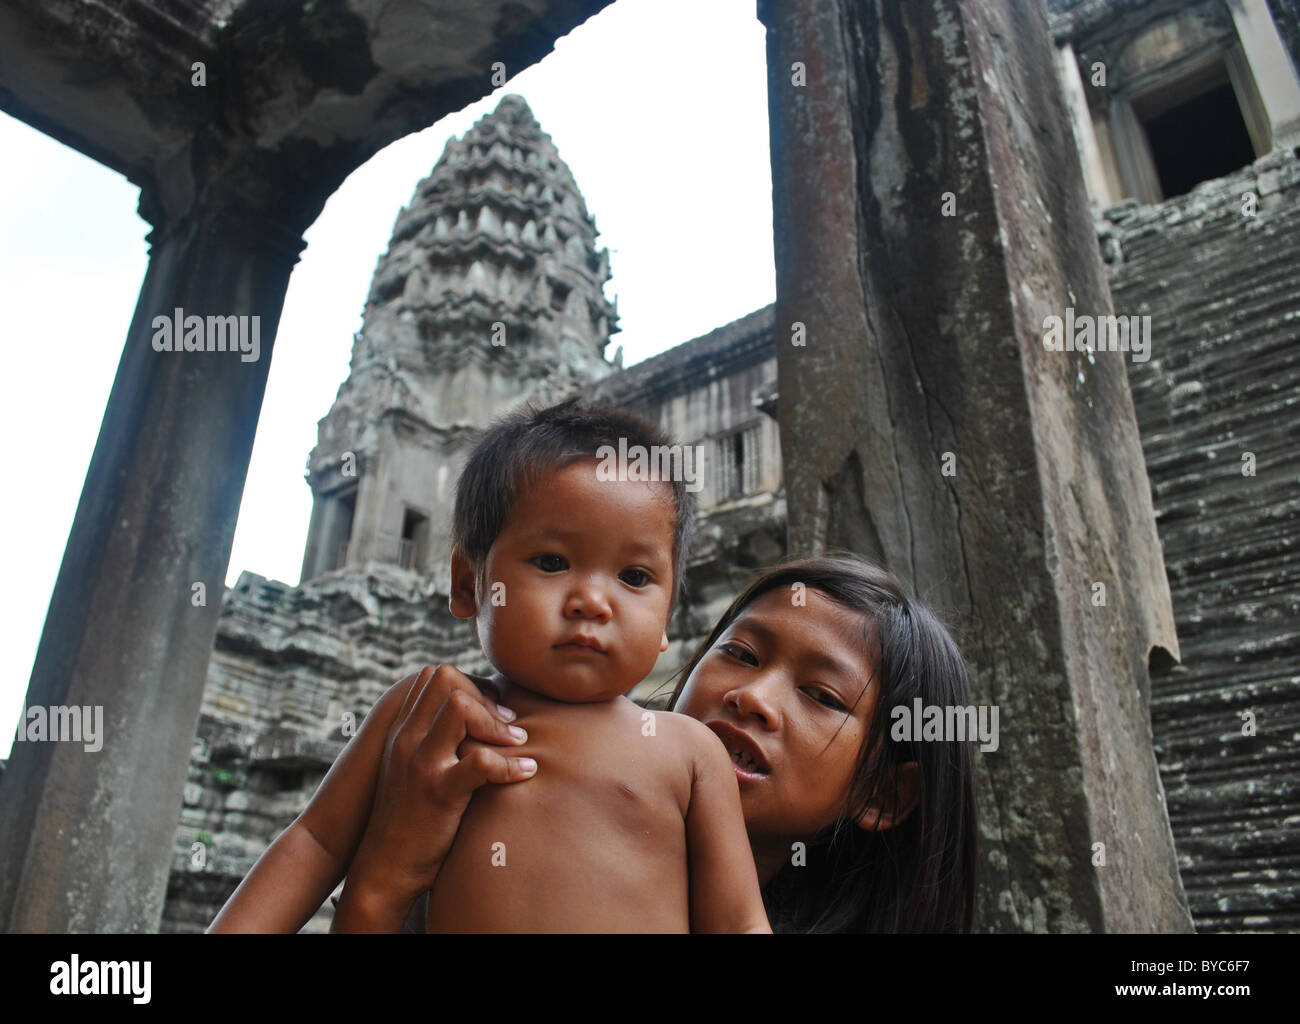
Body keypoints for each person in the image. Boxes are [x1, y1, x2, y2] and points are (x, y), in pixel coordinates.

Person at [210, 399, 769, 933]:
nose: (594, 601)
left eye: (634, 577)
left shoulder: (691, 752)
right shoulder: (429, 712)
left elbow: (738, 922)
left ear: (669, 614)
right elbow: (315, 843)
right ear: (466, 584)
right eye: (552, 562)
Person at [330, 555, 980, 934]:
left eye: (823, 697)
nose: (753, 696)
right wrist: (386, 880)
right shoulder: (499, 832)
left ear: (884, 795)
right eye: (740, 653)